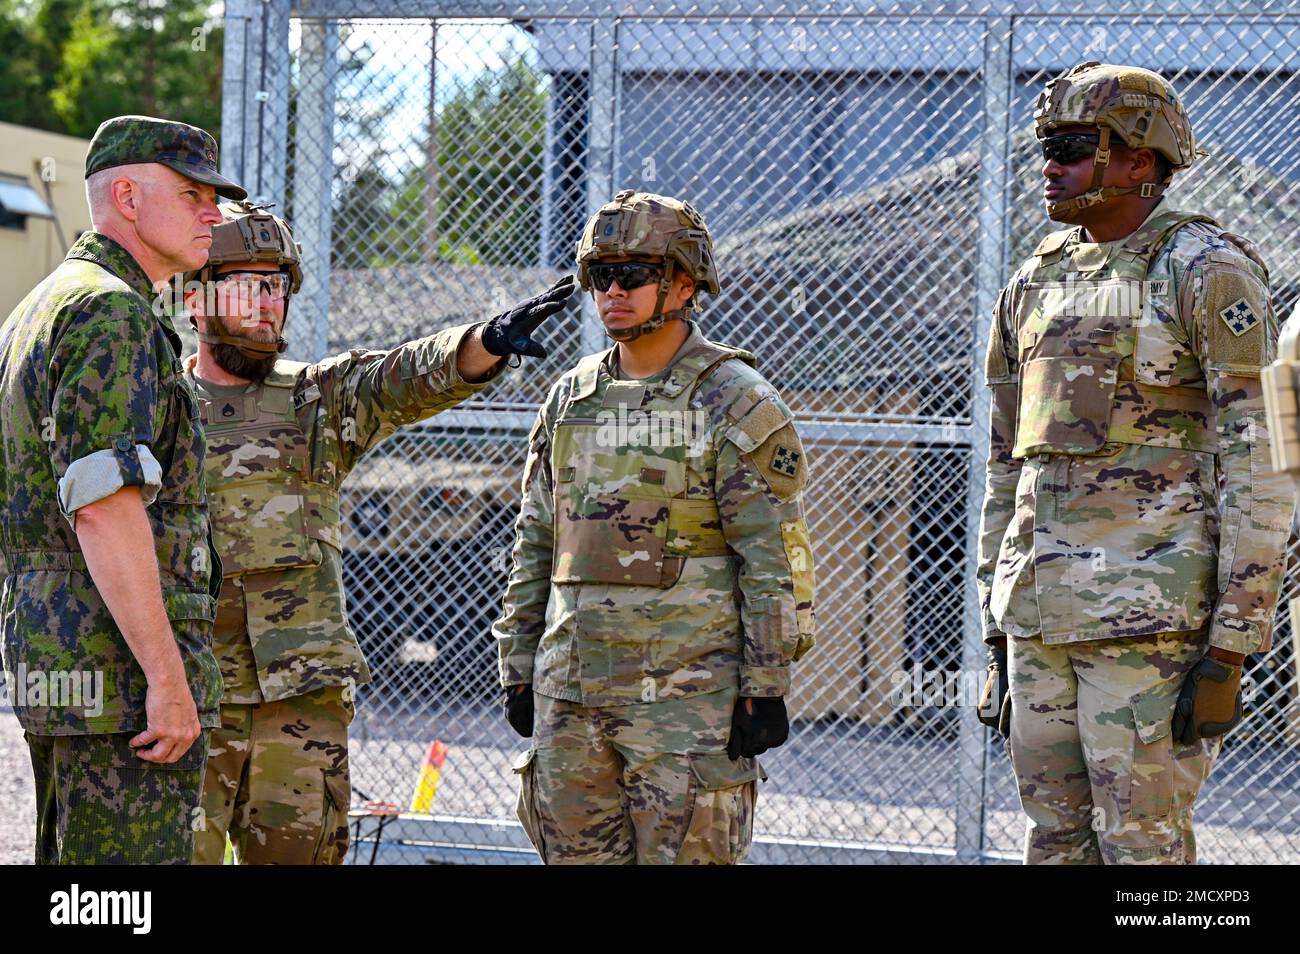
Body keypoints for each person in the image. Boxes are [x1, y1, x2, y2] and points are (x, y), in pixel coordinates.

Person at [182, 200, 573, 864]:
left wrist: (486, 342)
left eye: (278, 286)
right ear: (195, 297)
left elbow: (398, 377)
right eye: (249, 284)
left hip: (300, 707)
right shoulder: (155, 407)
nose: (267, 302)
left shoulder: (313, 402)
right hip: (188, 704)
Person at [976, 63, 1295, 864]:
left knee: (1141, 848)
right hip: (1038, 618)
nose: (1050, 164)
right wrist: (993, 624)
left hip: (1149, 628)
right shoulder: (1035, 280)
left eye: (1075, 146)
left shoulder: (1205, 271)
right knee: (1053, 842)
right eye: (1047, 146)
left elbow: (1265, 465)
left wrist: (1232, 647)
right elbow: (1006, 462)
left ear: (1140, 161)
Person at [494, 190, 816, 865]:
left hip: (685, 707)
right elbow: (535, 539)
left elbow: (771, 558)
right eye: (599, 276)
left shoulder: (732, 399)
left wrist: (765, 686)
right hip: (574, 698)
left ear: (684, 282)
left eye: (633, 274)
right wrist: (518, 665)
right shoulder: (571, 398)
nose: (612, 290)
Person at [0, 115, 246, 864]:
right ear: (130, 197)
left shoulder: (43, 305)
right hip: (118, 682)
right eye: (194, 193)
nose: (215, 212)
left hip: (63, 662)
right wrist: (166, 679)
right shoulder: (112, 311)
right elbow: (104, 507)